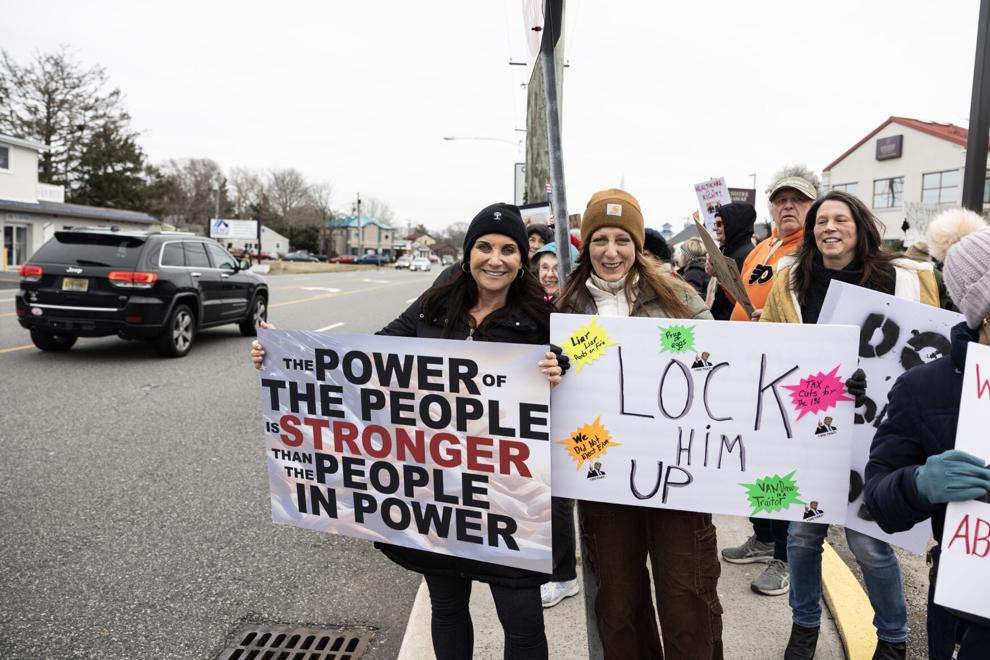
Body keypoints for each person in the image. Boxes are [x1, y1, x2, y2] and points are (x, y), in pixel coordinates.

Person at [250, 202, 567, 660]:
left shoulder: (544, 319)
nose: (494, 259)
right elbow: (363, 360)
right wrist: (284, 357)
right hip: (438, 493)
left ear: (522, 260)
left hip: (510, 498)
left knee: (521, 622)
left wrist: (563, 367)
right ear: (468, 253)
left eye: (507, 249)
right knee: (448, 605)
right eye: (483, 247)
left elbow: (574, 381)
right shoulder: (434, 306)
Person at [760, 190, 939, 660]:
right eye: (821, 221)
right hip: (811, 427)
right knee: (802, 537)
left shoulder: (902, 280)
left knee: (869, 543)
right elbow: (778, 353)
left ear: (860, 227)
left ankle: (894, 639)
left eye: (840, 219)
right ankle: (804, 628)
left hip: (877, 432)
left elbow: (924, 358)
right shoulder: (791, 283)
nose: (828, 228)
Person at [556, 188, 723, 659]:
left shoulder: (678, 296)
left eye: (622, 240)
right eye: (600, 240)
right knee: (617, 600)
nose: (611, 252)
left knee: (686, 594)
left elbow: (722, 369)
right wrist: (549, 371)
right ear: (585, 246)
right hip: (603, 477)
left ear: (637, 243)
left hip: (676, 476)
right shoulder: (568, 309)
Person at [864, 207, 990, 660]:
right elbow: (879, 496)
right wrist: (918, 483)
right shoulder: (924, 387)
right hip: (971, 609)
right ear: (980, 313)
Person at [719, 167, 820, 598]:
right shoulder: (761, 248)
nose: (788, 207)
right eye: (781, 200)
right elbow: (743, 298)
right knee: (754, 459)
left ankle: (784, 551)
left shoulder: (812, 251)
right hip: (748, 366)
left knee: (783, 462)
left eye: (798, 199)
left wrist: (776, 318)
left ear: (813, 206)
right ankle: (762, 534)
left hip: (786, 374)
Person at [708, 202, 757, 320]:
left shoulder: (745, 255)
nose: (714, 228)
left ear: (733, 225)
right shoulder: (729, 251)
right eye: (715, 223)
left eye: (719, 224)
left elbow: (736, 301)